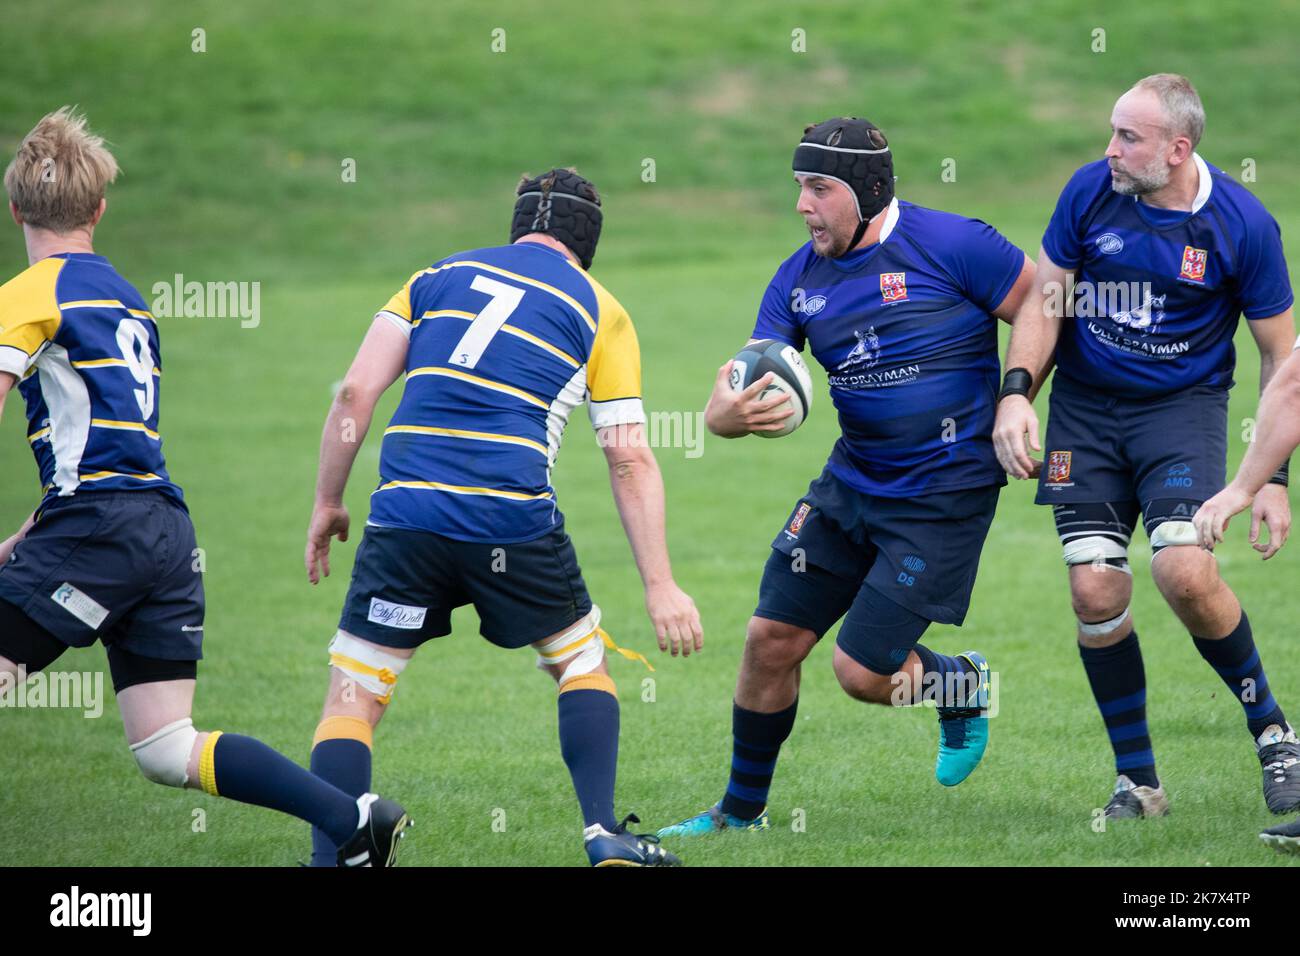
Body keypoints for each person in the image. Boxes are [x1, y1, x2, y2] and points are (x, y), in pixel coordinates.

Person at [0, 107, 409, 866]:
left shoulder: (24, 294)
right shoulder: (128, 300)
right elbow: (106, 433)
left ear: (16, 208)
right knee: (165, 747)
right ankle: (353, 820)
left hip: (100, 528)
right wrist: (34, 528)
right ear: (99, 209)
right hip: (162, 532)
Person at [302, 168, 702, 866]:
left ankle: (333, 857)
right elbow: (629, 455)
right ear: (590, 242)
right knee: (580, 661)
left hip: (405, 512)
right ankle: (604, 834)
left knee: (354, 693)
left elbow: (354, 396)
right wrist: (661, 584)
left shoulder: (431, 277)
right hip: (509, 517)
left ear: (516, 227)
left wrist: (328, 502)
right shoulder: (600, 307)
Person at [658, 117, 1034, 838]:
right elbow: (734, 385)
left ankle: (961, 684)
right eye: (799, 186)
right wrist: (725, 417)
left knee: (862, 675)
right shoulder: (798, 279)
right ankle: (740, 816)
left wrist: (1016, 395)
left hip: (943, 496)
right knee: (769, 639)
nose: (802, 204)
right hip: (851, 485)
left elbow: (1044, 309)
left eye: (818, 187)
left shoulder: (955, 244)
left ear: (865, 190)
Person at [992, 74, 1300, 820]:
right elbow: (1048, 298)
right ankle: (1139, 783)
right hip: (1087, 414)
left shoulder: (1243, 225)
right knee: (1095, 590)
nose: (1111, 151)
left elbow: (1280, 359)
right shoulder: (1090, 192)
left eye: (1128, 138)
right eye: (1112, 132)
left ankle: (1275, 736)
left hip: (1181, 411)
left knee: (1185, 571)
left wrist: (1274, 477)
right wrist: (1015, 393)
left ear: (1178, 148)